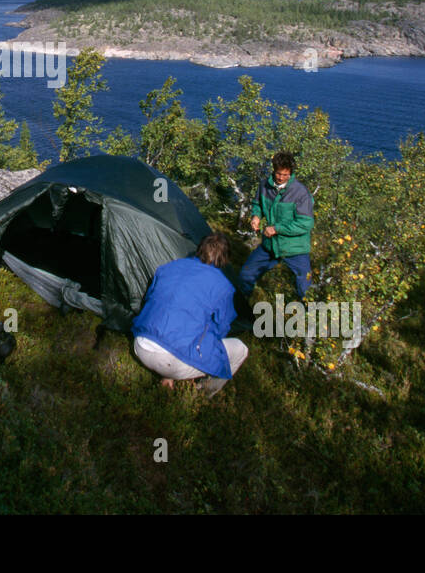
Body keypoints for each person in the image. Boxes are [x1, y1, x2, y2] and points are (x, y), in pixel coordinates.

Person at [131, 232, 248, 395]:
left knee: (176, 327)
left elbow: (150, 298)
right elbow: (220, 329)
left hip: (140, 345)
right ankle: (202, 393)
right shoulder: (224, 287)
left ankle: (168, 375)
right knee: (240, 349)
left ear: (199, 249)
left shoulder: (169, 266)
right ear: (225, 260)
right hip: (171, 362)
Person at [233, 151, 314, 324]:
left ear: (291, 173)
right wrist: (256, 216)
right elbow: (257, 205)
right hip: (270, 246)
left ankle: (308, 323)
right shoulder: (264, 186)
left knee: (304, 286)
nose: (281, 177)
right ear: (273, 170)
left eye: (285, 174)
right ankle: (239, 315)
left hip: (295, 248)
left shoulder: (300, 193)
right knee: (246, 275)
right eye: (278, 173)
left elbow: (305, 224)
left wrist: (277, 229)